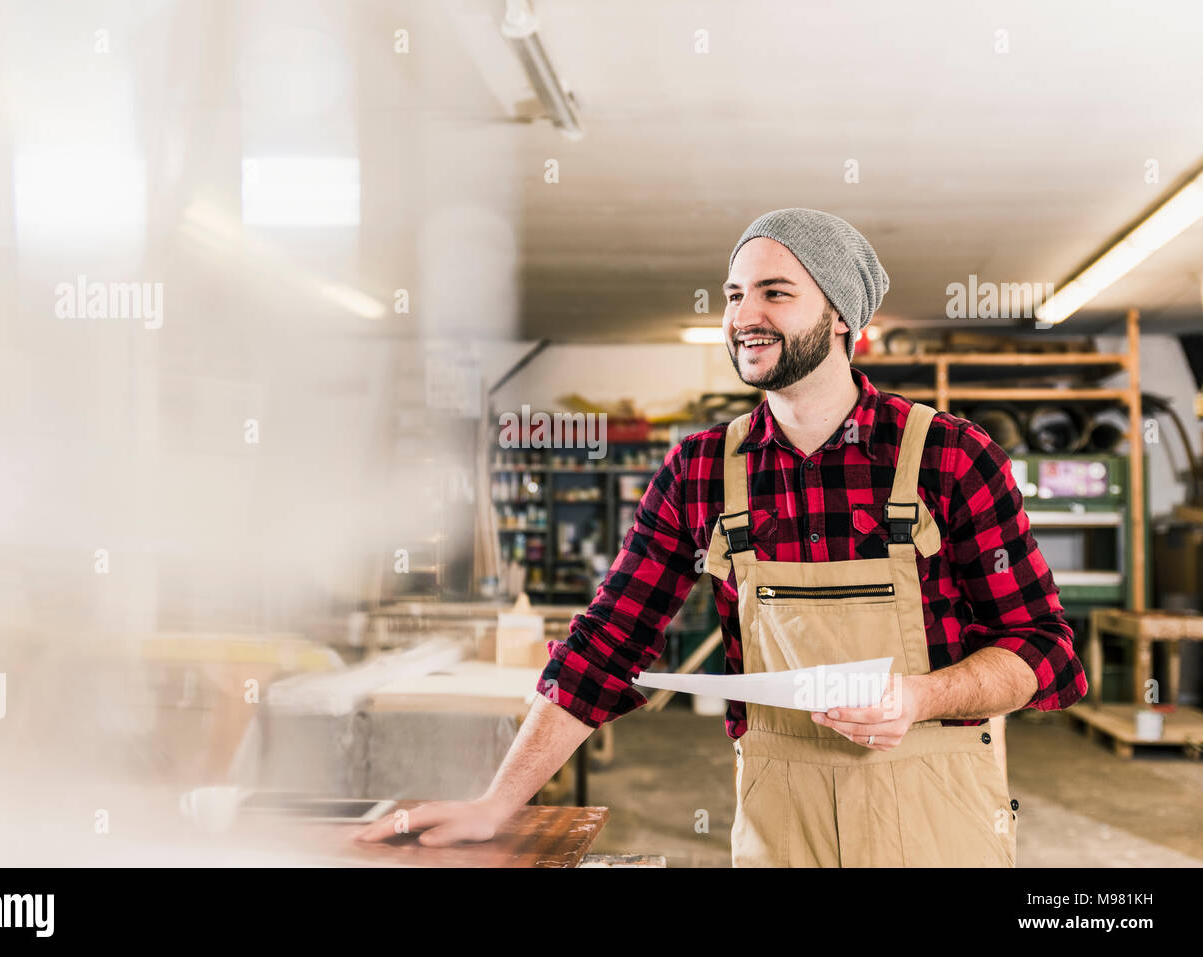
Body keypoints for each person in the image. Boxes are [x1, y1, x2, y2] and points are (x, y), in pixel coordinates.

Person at [357, 208, 1086, 866]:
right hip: (779, 821)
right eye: (734, 295)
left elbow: (1044, 648)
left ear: (840, 317)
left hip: (936, 812)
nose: (744, 315)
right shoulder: (703, 469)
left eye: (775, 292)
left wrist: (920, 697)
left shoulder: (950, 454)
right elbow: (607, 642)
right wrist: (496, 803)